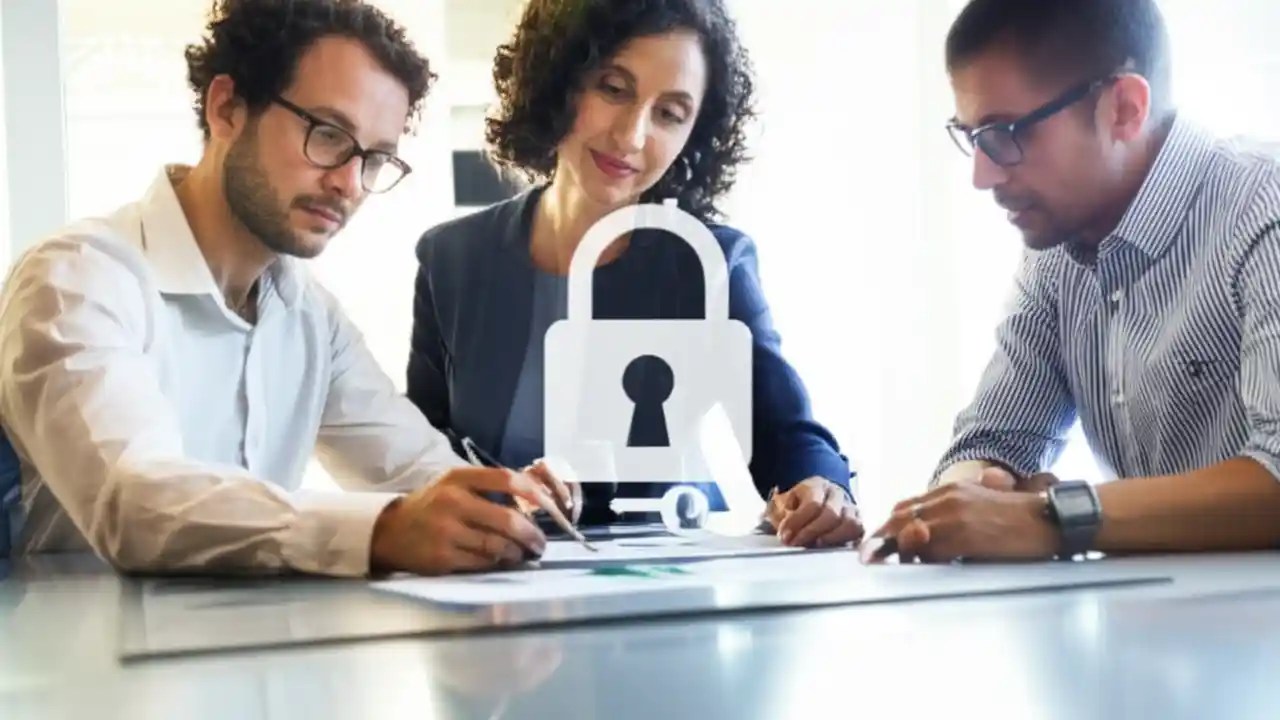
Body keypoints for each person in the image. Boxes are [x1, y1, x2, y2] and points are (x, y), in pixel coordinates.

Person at [0, 0, 576, 578]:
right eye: (328, 135)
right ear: (227, 108)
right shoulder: (76, 278)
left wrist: (504, 499)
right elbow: (135, 501)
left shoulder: (309, 317)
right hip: (82, 656)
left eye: (374, 158)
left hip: (257, 654)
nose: (348, 183)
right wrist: (383, 529)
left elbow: (415, 469)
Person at [407, 0, 863, 548]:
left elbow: (787, 436)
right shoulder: (452, 258)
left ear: (694, 134)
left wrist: (822, 487)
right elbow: (418, 456)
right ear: (560, 82)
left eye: (670, 113)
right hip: (495, 585)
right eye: (614, 88)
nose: (631, 135)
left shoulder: (708, 261)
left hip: (661, 582)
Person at [872, 0, 1280, 563]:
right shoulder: (1058, 248)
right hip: (1163, 627)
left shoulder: (1265, 208)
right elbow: (992, 439)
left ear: (1125, 108)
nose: (981, 175)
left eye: (1004, 134)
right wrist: (974, 493)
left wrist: (1056, 517)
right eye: (972, 138)